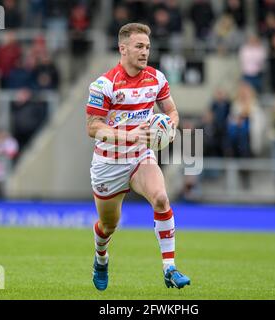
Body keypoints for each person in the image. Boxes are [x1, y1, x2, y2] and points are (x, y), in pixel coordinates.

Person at [85, 23, 190, 291]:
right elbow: (93, 127)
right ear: (123, 48)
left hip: (141, 157)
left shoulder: (157, 78)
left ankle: (170, 268)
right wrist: (129, 135)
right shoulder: (104, 84)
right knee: (109, 225)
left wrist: (170, 127)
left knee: (161, 198)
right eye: (139, 46)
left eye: (148, 47)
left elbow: (172, 111)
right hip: (108, 164)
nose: (145, 52)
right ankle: (101, 258)